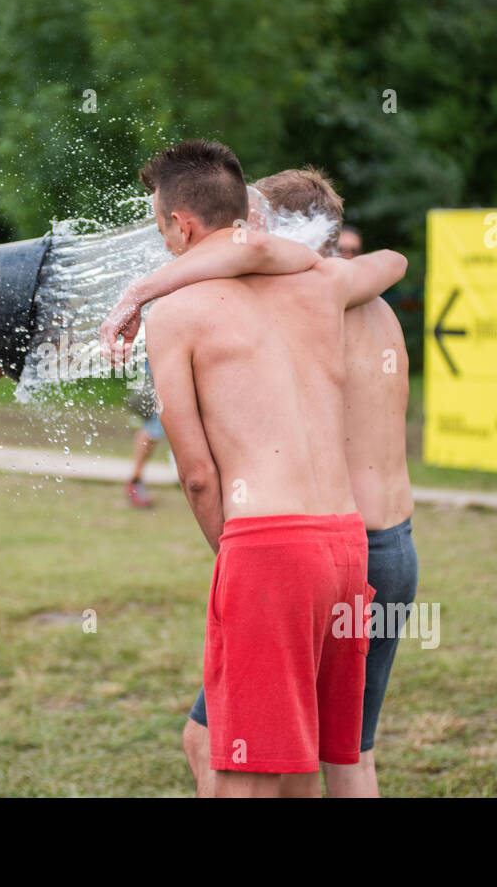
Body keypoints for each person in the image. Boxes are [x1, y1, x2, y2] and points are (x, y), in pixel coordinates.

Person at [105, 166, 417, 797]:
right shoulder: (357, 292)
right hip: (380, 545)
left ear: (272, 230)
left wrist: (140, 292)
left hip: (301, 550)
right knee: (347, 754)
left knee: (232, 750)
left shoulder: (299, 298)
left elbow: (200, 470)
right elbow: (393, 257)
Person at [124, 362, 165, 508]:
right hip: (163, 368)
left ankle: (135, 482)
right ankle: (135, 481)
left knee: (154, 428)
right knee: (153, 429)